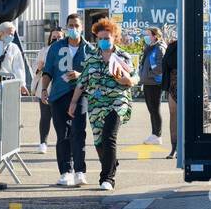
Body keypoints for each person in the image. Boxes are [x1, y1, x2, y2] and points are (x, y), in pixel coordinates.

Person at [69, 17, 136, 191]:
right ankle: (111, 163)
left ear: (114, 37)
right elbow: (82, 81)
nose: (104, 41)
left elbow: (134, 79)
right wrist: (74, 102)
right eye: (100, 38)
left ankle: (107, 178)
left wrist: (125, 79)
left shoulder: (123, 56)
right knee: (99, 142)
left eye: (107, 38)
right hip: (96, 104)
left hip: (117, 102)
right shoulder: (91, 57)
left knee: (109, 136)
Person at [40, 13, 92, 188]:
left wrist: (80, 75)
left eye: (77, 26)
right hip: (59, 95)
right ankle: (65, 172)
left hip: (80, 95)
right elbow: (48, 71)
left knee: (78, 132)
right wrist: (44, 89)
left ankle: (79, 171)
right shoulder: (55, 48)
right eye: (70, 25)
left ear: (82, 27)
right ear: (66, 27)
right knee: (62, 135)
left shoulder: (89, 49)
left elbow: (94, 75)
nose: (74, 29)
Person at [32, 28, 64, 153]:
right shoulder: (43, 51)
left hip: (61, 89)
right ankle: (43, 142)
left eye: (59, 37)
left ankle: (62, 142)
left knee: (60, 117)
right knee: (45, 116)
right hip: (44, 88)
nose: (56, 39)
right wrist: (39, 68)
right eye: (54, 36)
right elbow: (36, 67)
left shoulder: (65, 51)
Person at [138, 27, 167, 146]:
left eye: (148, 34)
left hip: (154, 83)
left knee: (155, 109)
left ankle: (157, 135)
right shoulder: (150, 48)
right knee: (152, 110)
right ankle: (154, 134)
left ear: (155, 36)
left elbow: (161, 67)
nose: (146, 37)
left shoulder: (159, 48)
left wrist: (148, 74)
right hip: (148, 82)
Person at [162, 35, 178, 159]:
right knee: (173, 115)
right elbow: (166, 64)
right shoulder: (172, 47)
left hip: (187, 85)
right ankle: (174, 147)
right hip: (173, 85)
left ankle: (185, 147)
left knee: (187, 117)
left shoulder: (191, 44)